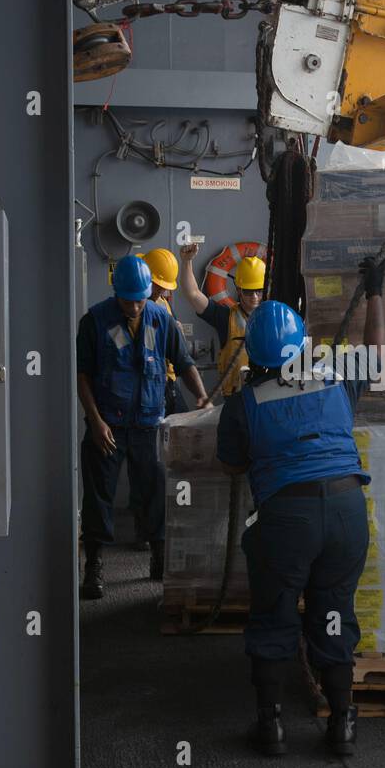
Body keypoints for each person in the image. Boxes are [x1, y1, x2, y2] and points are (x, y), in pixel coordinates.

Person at [216, 256, 385, 758]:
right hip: (346, 510)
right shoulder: (337, 377)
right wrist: (374, 292)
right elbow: (378, 358)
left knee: (274, 614)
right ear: (300, 344)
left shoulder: (244, 404)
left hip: (285, 519)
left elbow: (231, 466)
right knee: (333, 611)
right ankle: (342, 724)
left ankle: (270, 727)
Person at [76, 254, 208, 598]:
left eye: (140, 300)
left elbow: (183, 361)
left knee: (154, 491)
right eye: (129, 301)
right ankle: (94, 564)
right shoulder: (95, 321)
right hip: (108, 425)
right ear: (117, 293)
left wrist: (202, 396)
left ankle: (158, 556)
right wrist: (95, 421)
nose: (135, 307)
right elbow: (83, 375)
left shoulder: (159, 318)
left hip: (148, 423)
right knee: (99, 496)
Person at [179, 243, 266, 397]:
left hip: (267, 393)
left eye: (259, 291)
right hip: (237, 397)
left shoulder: (274, 316)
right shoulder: (225, 317)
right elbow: (193, 294)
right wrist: (186, 261)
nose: (254, 297)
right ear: (238, 290)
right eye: (248, 292)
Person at [138, 247, 190, 418]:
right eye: (157, 285)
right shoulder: (133, 308)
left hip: (169, 381)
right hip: (148, 384)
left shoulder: (163, 305)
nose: (161, 290)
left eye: (163, 287)